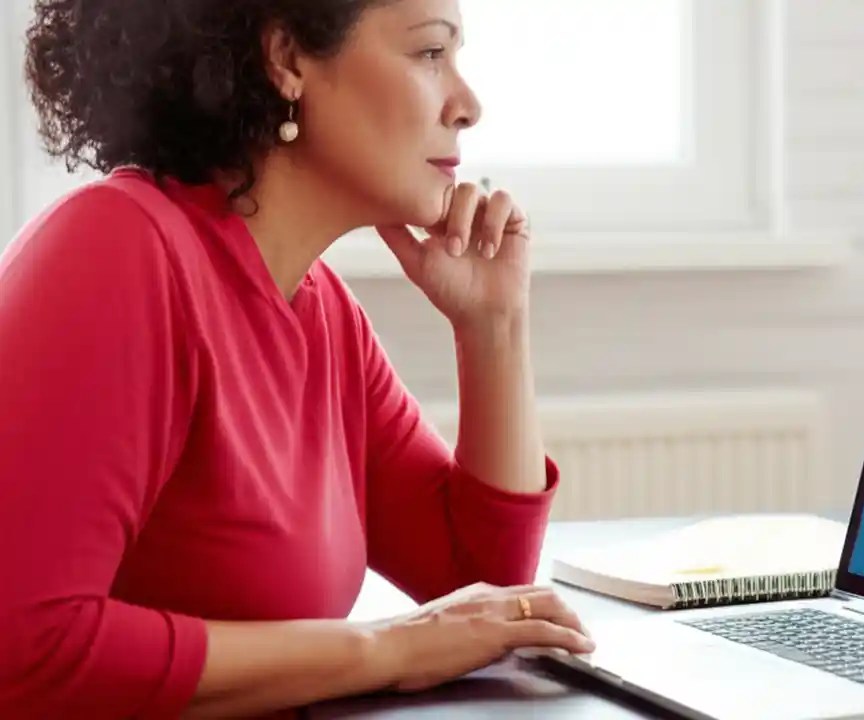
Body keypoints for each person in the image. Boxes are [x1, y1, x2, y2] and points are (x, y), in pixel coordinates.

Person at [0, 1, 595, 717]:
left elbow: (482, 593)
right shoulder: (117, 251)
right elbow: (24, 649)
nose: (467, 105)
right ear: (285, 59)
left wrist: (494, 327)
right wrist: (385, 650)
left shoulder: (323, 314)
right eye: (430, 54)